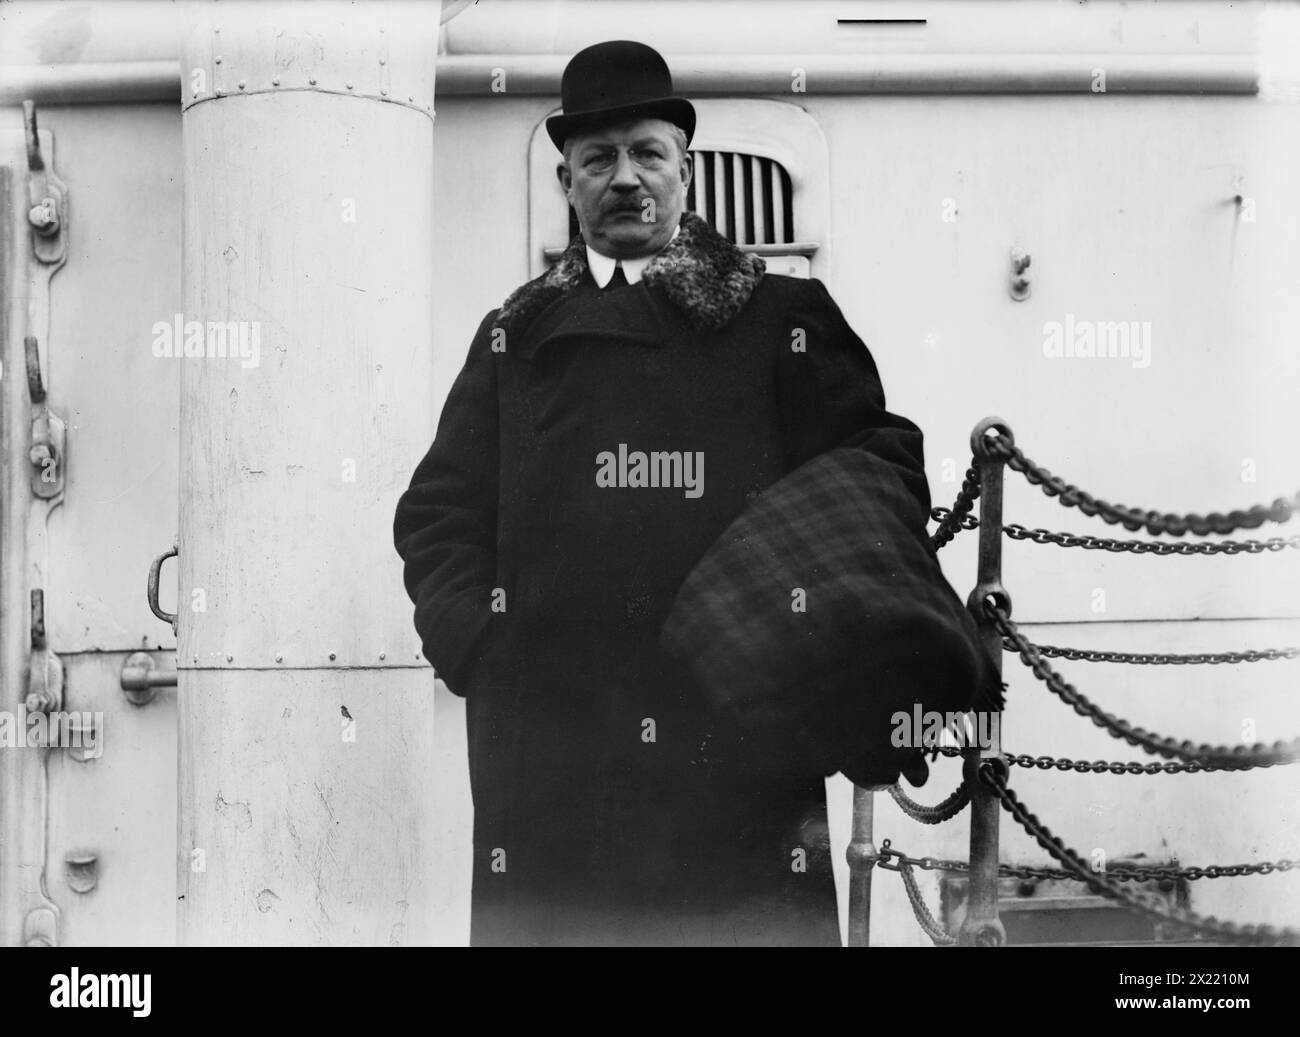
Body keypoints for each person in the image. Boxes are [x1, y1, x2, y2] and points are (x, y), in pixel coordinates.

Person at [393, 40, 998, 946]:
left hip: (737, 737)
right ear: (567, 181)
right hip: (553, 754)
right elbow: (440, 508)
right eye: (599, 159)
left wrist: (797, 620)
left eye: (648, 153)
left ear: (688, 172)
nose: (626, 179)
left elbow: (879, 462)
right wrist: (481, 644)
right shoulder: (513, 336)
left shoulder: (780, 317)